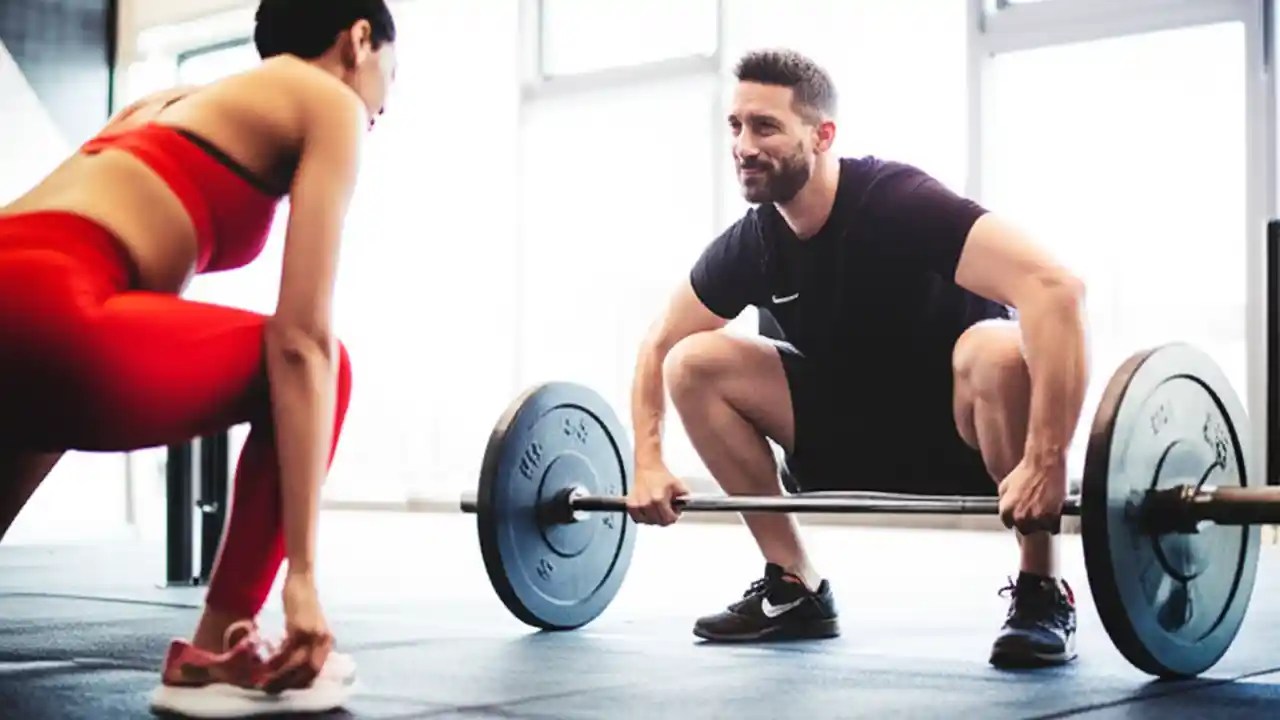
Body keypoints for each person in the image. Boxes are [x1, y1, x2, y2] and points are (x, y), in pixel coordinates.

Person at [625, 48, 1090, 669]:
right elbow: (657, 343)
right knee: (692, 362)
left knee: (997, 348)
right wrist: (647, 461)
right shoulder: (757, 240)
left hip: (969, 440)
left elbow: (1056, 289)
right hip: (847, 440)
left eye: (765, 126)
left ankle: (1040, 588)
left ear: (822, 136)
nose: (743, 144)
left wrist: (1047, 459)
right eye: (735, 126)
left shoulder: (896, 201)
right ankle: (795, 586)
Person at [0, 0, 397, 715]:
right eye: (390, 79)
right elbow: (300, 341)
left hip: (23, 287)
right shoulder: (328, 100)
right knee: (324, 367)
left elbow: (43, 336)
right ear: (360, 40)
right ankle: (218, 651)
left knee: (45, 389)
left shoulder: (165, 103)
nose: (383, 107)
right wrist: (300, 578)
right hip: (57, 302)